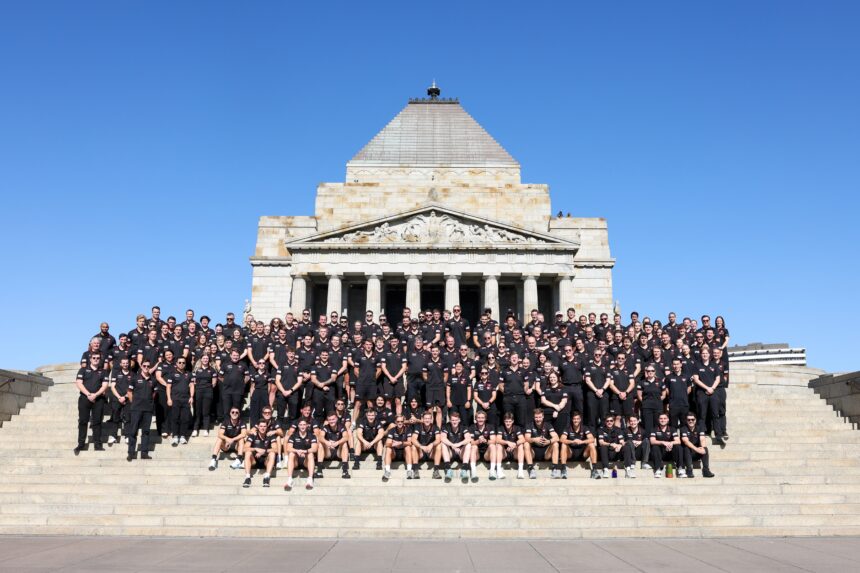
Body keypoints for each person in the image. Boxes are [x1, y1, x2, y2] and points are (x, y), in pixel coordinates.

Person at [74, 354, 108, 454]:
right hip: (85, 398)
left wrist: (95, 395)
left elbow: (105, 385)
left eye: (98, 358)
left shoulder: (104, 372)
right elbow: (79, 383)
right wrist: (88, 394)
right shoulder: (83, 370)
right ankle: (81, 444)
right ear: (90, 359)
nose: (96, 359)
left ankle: (97, 445)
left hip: (99, 399)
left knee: (97, 422)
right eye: (94, 358)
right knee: (83, 421)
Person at [126, 361, 157, 461]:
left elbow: (154, 393)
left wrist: (149, 402)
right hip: (136, 409)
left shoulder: (153, 380)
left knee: (146, 432)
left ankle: (144, 453)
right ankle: (131, 453)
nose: (146, 367)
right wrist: (134, 403)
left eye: (148, 366)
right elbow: (129, 392)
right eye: (144, 366)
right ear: (141, 366)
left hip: (148, 409)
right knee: (133, 431)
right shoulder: (135, 378)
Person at [559, 410, 599, 479]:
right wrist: (572, 441)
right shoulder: (568, 428)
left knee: (591, 444)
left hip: (582, 453)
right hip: (570, 453)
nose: (576, 421)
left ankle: (594, 470)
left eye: (577, 419)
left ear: (580, 420)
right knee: (563, 444)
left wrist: (582, 441)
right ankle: (563, 470)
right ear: (572, 419)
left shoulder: (584, 428)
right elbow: (561, 439)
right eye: (574, 419)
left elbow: (592, 439)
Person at [524, 407, 560, 479]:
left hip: (546, 452)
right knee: (526, 444)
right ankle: (531, 469)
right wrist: (534, 439)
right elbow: (526, 438)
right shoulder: (530, 425)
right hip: (533, 452)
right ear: (534, 417)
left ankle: (555, 469)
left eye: (539, 417)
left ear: (543, 417)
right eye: (536, 417)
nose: (538, 419)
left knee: (556, 444)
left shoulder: (548, 425)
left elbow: (557, 437)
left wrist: (549, 441)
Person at [284, 418, 318, 491]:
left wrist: (305, 451)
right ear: (298, 426)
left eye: (304, 425)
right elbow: (288, 448)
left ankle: (310, 479)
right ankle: (290, 479)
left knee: (310, 454)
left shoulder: (311, 435)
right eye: (300, 425)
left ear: (307, 426)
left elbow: (315, 448)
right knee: (291, 454)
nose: (302, 426)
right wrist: (297, 451)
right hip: (296, 461)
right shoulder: (293, 435)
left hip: (306, 461)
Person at [597, 414, 634, 478]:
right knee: (603, 447)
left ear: (613, 421)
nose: (609, 422)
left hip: (616, 452)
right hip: (607, 452)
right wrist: (610, 444)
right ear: (605, 422)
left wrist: (619, 445)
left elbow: (622, 441)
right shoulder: (601, 430)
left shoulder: (618, 430)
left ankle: (628, 469)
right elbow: (601, 442)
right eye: (607, 421)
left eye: (611, 421)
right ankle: (605, 469)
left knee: (626, 446)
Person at [209, 406, 246, 470]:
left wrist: (233, 439)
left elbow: (244, 434)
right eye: (233, 412)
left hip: (237, 446)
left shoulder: (242, 422)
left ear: (239, 414)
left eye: (237, 412)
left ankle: (239, 459)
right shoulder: (226, 422)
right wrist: (227, 439)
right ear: (230, 413)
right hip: (226, 445)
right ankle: (213, 459)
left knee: (242, 439)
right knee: (219, 439)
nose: (234, 413)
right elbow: (220, 434)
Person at [167, 357, 194, 446]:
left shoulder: (189, 374)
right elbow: (168, 387)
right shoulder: (172, 374)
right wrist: (169, 398)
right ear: (176, 364)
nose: (181, 364)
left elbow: (192, 386)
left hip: (185, 400)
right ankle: (175, 436)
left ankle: (182, 436)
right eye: (180, 362)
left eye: (183, 363)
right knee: (175, 418)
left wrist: (191, 396)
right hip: (175, 399)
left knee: (185, 419)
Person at [242, 419, 276, 488]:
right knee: (248, 452)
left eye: (264, 426)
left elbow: (276, 449)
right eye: (261, 426)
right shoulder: (253, 435)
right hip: (254, 461)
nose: (262, 428)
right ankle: (247, 478)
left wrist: (264, 451)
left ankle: (266, 477)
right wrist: (255, 449)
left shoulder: (270, 435)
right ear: (258, 427)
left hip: (266, 461)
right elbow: (244, 449)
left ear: (267, 427)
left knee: (272, 453)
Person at [680, 412, 715, 478]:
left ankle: (706, 470)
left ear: (695, 420)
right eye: (689, 420)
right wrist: (696, 449)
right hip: (686, 454)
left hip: (696, 452)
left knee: (705, 448)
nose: (691, 421)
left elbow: (702, 439)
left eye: (692, 419)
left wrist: (702, 448)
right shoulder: (683, 429)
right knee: (687, 448)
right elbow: (686, 441)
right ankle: (689, 470)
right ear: (686, 420)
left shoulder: (700, 428)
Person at [465, 410, 496, 483]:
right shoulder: (472, 427)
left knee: (492, 446)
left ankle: (492, 471)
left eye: (482, 418)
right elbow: (471, 442)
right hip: (476, 454)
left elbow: (494, 441)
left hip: (486, 453)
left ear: (485, 419)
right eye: (478, 418)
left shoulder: (490, 427)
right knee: (474, 446)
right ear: (476, 419)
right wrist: (478, 441)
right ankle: (473, 471)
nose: (480, 419)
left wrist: (486, 441)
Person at [107, 357, 132, 445]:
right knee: (115, 418)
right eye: (123, 363)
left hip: (128, 399)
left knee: (128, 418)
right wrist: (119, 397)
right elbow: (113, 386)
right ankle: (113, 436)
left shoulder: (133, 374)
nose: (125, 364)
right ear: (120, 364)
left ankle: (127, 436)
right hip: (116, 399)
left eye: (126, 363)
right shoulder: (116, 374)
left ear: (129, 364)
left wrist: (125, 397)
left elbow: (132, 388)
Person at [319, 411, 351, 479]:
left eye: (333, 419)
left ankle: (345, 470)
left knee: (344, 443)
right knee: (321, 444)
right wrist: (327, 442)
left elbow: (346, 437)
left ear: (336, 419)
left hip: (339, 452)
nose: (331, 421)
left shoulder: (341, 426)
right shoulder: (326, 427)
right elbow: (320, 437)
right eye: (329, 420)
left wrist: (337, 443)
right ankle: (319, 470)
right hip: (329, 452)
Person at [410, 410, 442, 479]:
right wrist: (421, 446)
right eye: (425, 418)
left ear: (431, 419)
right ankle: (415, 470)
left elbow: (438, 439)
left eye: (428, 419)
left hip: (430, 452)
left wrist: (431, 444)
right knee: (413, 446)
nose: (427, 420)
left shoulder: (435, 427)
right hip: (421, 452)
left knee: (439, 445)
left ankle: (436, 471)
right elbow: (413, 439)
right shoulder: (418, 427)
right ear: (422, 419)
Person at [441, 410, 470, 482]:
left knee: (468, 445)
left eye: (456, 420)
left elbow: (468, 438)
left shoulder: (463, 427)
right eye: (452, 420)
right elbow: (442, 438)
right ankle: (448, 469)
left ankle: (464, 470)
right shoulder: (446, 426)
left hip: (460, 452)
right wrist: (453, 445)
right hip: (450, 452)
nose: (454, 422)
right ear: (450, 420)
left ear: (459, 420)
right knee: (443, 444)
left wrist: (459, 444)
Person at [191, 354, 217, 437]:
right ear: (201, 360)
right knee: (197, 411)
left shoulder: (212, 370)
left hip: (208, 392)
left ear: (209, 360)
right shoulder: (196, 370)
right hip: (198, 391)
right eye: (204, 358)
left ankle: (206, 429)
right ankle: (195, 429)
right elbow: (193, 382)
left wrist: (207, 388)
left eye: (207, 358)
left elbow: (214, 382)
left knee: (206, 411)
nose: (205, 360)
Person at [650, 413, 681, 478]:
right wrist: (662, 442)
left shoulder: (672, 429)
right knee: (655, 447)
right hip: (659, 454)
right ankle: (657, 469)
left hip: (670, 453)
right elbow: (652, 441)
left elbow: (678, 441)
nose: (663, 420)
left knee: (678, 446)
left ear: (668, 420)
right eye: (661, 418)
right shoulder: (654, 429)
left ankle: (680, 468)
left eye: (664, 418)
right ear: (658, 420)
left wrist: (671, 443)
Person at [383, 415, 414, 481]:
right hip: (394, 453)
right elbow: (387, 444)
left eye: (402, 421)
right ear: (395, 422)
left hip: (404, 453)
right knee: (388, 449)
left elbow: (410, 442)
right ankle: (387, 471)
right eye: (398, 421)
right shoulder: (392, 430)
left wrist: (400, 443)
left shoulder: (408, 430)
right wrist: (393, 444)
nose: (400, 423)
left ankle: (409, 470)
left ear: (404, 422)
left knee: (408, 447)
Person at [495, 412, 524, 479]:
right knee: (499, 445)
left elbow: (522, 439)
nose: (508, 423)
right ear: (504, 421)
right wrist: (507, 442)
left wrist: (514, 444)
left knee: (521, 445)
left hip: (514, 453)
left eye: (510, 421)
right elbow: (498, 440)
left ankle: (520, 470)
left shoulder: (517, 428)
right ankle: (498, 470)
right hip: (504, 453)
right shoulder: (501, 428)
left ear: (513, 421)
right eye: (506, 421)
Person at [446, 361, 472, 427]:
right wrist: (448, 400)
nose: (458, 368)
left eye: (460, 366)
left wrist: (468, 401)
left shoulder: (466, 377)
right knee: (453, 421)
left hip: (464, 403)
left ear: (463, 368)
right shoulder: (451, 377)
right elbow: (448, 389)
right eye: (457, 366)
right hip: (453, 403)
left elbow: (469, 390)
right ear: (455, 367)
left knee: (464, 421)